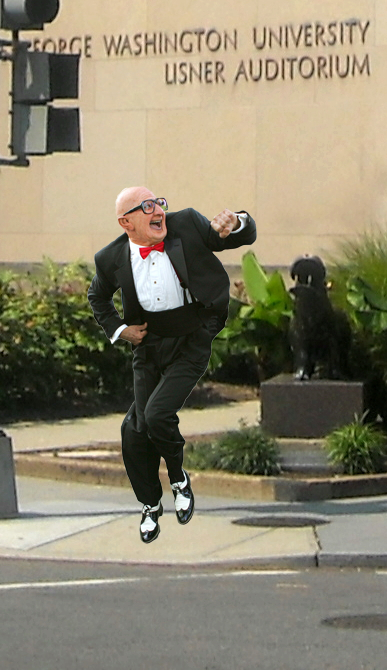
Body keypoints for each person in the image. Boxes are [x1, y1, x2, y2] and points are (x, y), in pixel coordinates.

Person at [87, 187, 256, 543]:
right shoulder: (111, 257)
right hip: (148, 344)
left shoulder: (187, 224)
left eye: (158, 203)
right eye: (146, 207)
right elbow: (97, 296)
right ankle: (150, 504)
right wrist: (119, 329)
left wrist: (236, 222)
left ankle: (178, 480)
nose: (158, 210)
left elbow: (234, 235)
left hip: (191, 337)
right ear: (126, 222)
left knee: (157, 415)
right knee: (134, 430)